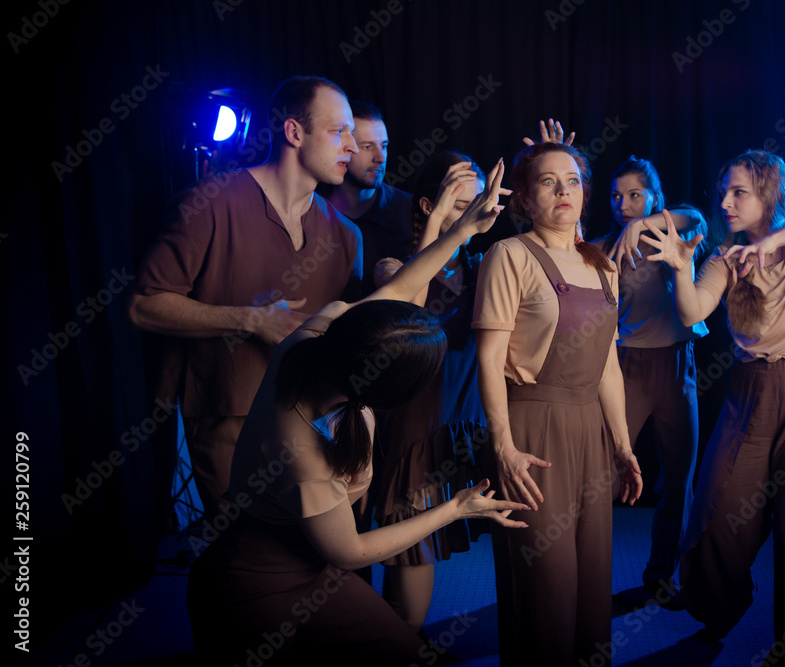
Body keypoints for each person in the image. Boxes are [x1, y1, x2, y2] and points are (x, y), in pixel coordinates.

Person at [186, 158, 523, 664]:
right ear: (385, 397)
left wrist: (463, 229)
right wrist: (455, 508)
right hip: (252, 586)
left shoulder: (323, 335)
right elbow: (351, 551)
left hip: (316, 576)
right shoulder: (302, 449)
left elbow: (397, 293)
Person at [640, 150, 785, 665]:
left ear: (769, 193)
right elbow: (693, 310)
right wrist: (681, 268)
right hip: (751, 397)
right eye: (723, 192)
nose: (724, 202)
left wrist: (775, 240)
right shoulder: (727, 257)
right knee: (717, 518)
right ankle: (720, 609)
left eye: (737, 192)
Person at [128, 76, 364, 517]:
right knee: (252, 562)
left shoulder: (346, 236)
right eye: (339, 131)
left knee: (325, 563)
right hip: (230, 424)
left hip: (318, 426)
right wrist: (251, 320)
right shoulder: (211, 203)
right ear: (294, 132)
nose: (352, 145)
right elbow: (144, 305)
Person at [473, 142, 643, 666]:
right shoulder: (510, 255)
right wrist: (502, 446)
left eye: (571, 180)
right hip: (532, 431)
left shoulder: (603, 265)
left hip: (589, 430)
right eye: (547, 181)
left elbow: (608, 367)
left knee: (592, 584)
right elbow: (489, 360)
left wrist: (622, 444)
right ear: (524, 197)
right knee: (546, 588)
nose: (563, 190)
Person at [373, 151, 491, 632]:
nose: (475, 215)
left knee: (428, 552)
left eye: (479, 204)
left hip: (461, 423)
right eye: (459, 204)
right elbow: (412, 312)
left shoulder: (484, 263)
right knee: (410, 556)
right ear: (429, 204)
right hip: (411, 427)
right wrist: (446, 225)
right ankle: (397, 645)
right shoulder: (391, 261)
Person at [590, 155, 709, 602]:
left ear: (654, 197)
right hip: (626, 368)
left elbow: (694, 215)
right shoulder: (603, 246)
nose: (623, 204)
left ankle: (662, 576)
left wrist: (640, 226)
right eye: (616, 196)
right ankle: (587, 572)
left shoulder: (679, 233)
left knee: (678, 480)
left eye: (635, 195)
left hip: (679, 367)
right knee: (601, 475)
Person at [320, 101, 413, 296]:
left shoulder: (409, 211)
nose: (380, 157)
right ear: (344, 147)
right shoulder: (312, 208)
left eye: (384, 145)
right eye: (368, 146)